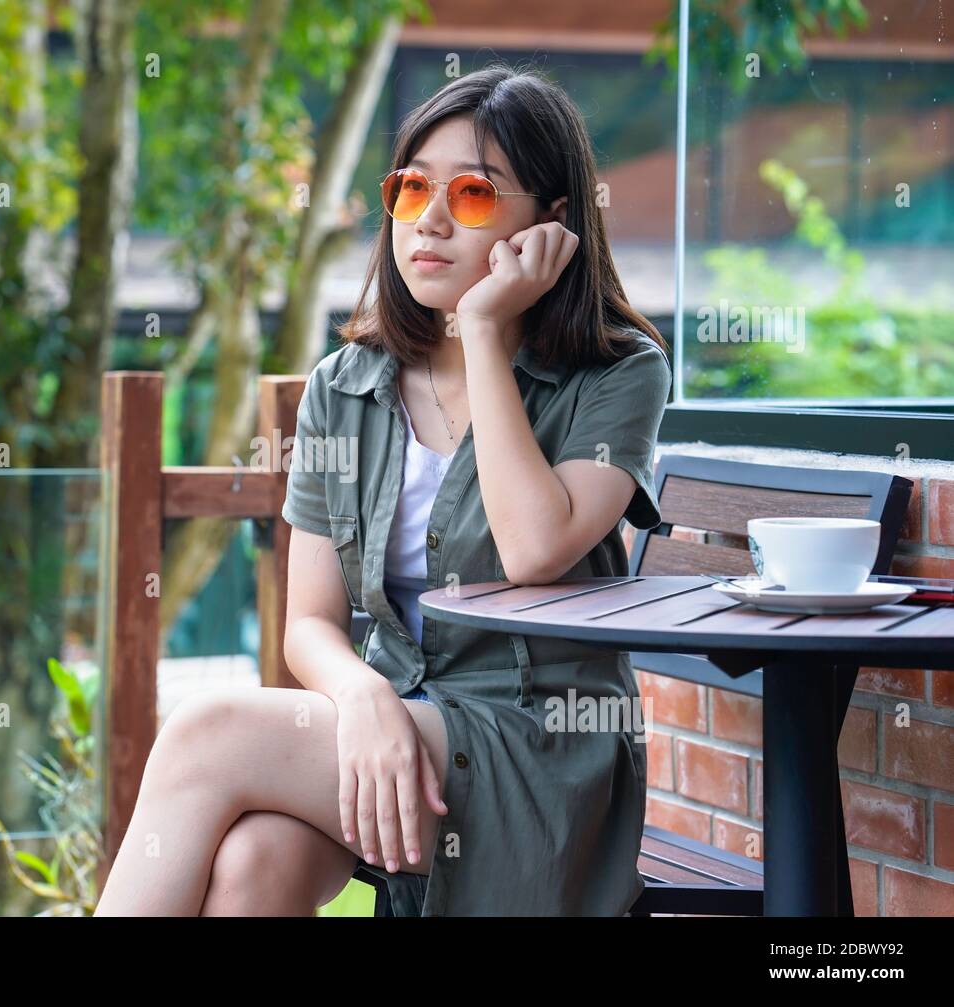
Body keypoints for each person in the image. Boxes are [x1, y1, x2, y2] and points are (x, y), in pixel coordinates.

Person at [94, 61, 671, 917]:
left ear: (552, 225)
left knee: (206, 732)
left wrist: (480, 326)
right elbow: (310, 624)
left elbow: (534, 547)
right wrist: (362, 697)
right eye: (411, 190)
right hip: (393, 732)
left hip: (540, 750)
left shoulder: (618, 372)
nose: (429, 222)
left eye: (474, 195)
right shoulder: (344, 385)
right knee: (256, 862)